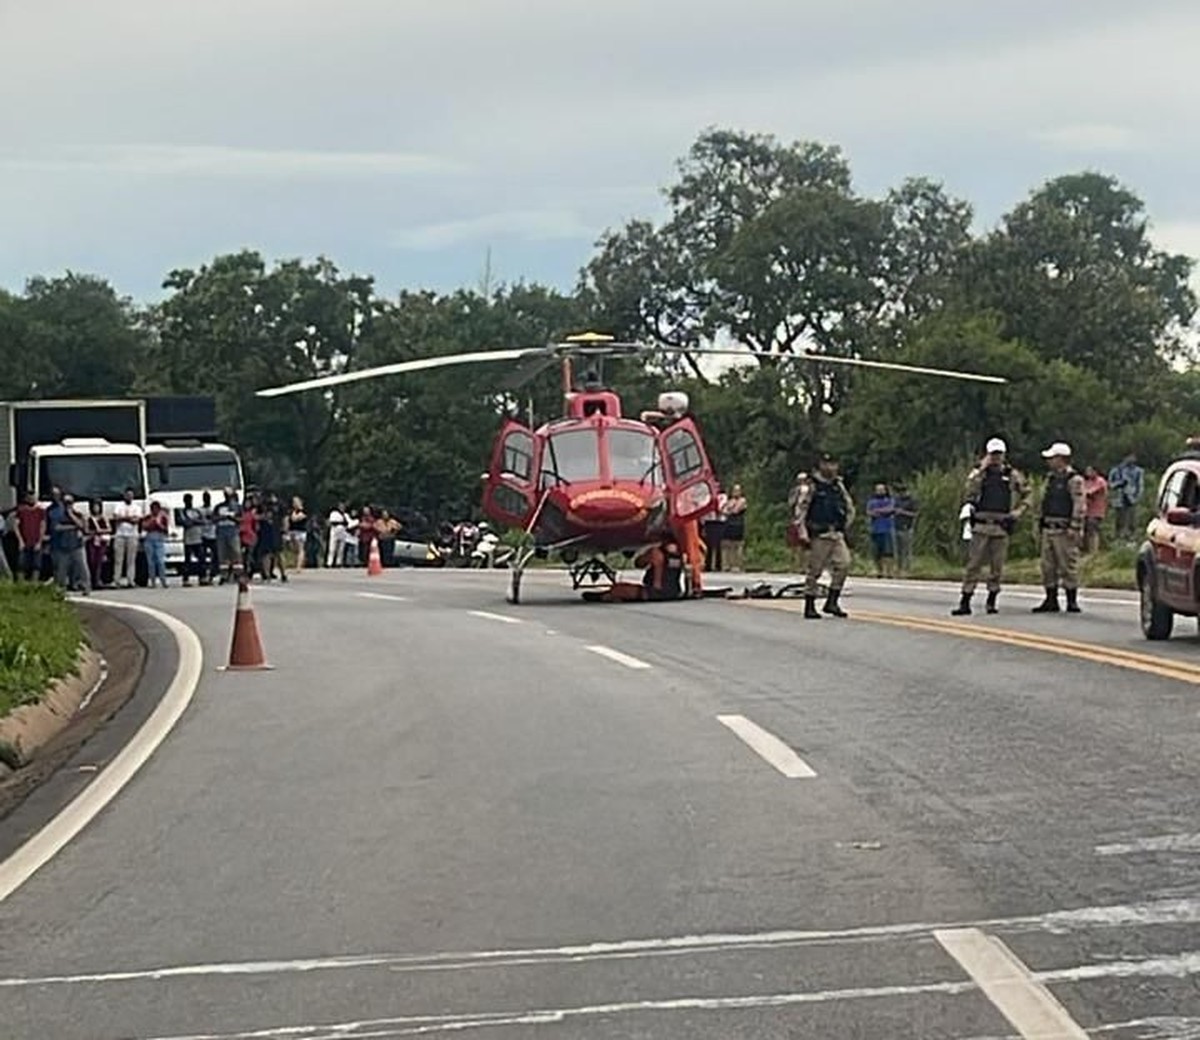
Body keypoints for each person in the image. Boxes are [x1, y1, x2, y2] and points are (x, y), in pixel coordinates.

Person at [952, 437, 1032, 616]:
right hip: (981, 524)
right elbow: (969, 490)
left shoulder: (1011, 475)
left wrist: (1018, 512)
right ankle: (966, 599)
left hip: (1001, 524)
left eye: (998, 454)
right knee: (973, 565)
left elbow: (1028, 494)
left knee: (997, 566)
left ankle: (992, 600)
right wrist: (981, 468)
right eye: (993, 454)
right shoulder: (979, 474)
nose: (996, 458)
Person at [792, 452, 855, 619]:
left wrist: (846, 524)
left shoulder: (838, 485)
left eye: (834, 464)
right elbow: (801, 508)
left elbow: (848, 505)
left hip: (836, 532)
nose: (831, 468)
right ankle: (810, 604)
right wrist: (802, 531)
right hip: (819, 533)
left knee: (844, 564)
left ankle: (832, 602)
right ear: (820, 465)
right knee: (815, 570)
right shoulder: (812, 485)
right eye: (827, 464)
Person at [1032, 442, 1087, 614]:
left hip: (1064, 528)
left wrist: (1075, 525)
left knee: (1067, 564)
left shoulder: (1074, 480)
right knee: (1047, 565)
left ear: (1061, 459)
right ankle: (1051, 598)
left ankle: (1071, 600)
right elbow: (1042, 503)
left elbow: (1079, 504)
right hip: (1049, 526)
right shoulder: (1050, 479)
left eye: (1052, 458)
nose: (1049, 461)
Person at [1107, 452, 1144, 543]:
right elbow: (1110, 484)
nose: (1131, 459)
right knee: (1119, 519)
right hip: (1119, 498)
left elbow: (1140, 485)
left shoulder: (1138, 471)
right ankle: (1118, 538)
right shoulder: (1116, 470)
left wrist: (1137, 497)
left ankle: (1132, 538)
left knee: (1132, 519)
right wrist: (1119, 483)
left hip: (1131, 498)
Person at [111, 486, 142, 588]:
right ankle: (116, 580)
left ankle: (130, 580)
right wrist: (128, 518)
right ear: (124, 495)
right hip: (120, 535)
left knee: (131, 559)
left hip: (132, 535)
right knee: (118, 559)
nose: (129, 497)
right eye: (127, 495)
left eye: (131, 495)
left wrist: (124, 518)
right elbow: (115, 518)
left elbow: (136, 520)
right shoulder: (119, 506)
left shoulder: (137, 507)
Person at [865, 483, 896, 578]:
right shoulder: (871, 502)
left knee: (888, 552)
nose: (880, 492)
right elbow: (869, 512)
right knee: (877, 553)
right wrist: (882, 512)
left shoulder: (890, 500)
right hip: (875, 529)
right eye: (878, 490)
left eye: (882, 490)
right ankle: (880, 571)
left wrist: (878, 511)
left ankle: (889, 572)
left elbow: (890, 509)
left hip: (887, 529)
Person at [178, 493, 206, 587]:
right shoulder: (182, 511)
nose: (189, 502)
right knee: (188, 560)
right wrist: (195, 521)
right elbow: (185, 523)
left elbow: (203, 521)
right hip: (188, 539)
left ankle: (202, 577)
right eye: (187, 500)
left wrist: (194, 521)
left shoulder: (196, 511)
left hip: (198, 538)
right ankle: (186, 579)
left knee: (201, 559)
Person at [141, 500, 170, 588]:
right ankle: (153, 581)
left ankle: (163, 580)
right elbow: (144, 526)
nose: (155, 511)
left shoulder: (163, 517)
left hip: (159, 538)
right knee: (151, 562)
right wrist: (151, 522)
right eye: (153, 509)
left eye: (156, 509)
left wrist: (159, 524)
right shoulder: (148, 517)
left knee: (160, 561)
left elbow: (166, 530)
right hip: (149, 538)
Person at [84, 498, 111, 589]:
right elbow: (86, 530)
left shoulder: (103, 518)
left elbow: (109, 529)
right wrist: (93, 532)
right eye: (94, 506)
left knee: (99, 561)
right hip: (92, 541)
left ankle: (98, 580)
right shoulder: (89, 518)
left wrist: (100, 531)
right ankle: (91, 580)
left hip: (101, 541)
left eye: (98, 506)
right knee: (91, 561)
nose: (96, 508)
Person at [720, 483, 747, 571]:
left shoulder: (742, 500)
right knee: (727, 545)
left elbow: (736, 510)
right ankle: (727, 565)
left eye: (737, 491)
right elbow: (723, 510)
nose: (735, 492)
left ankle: (737, 565)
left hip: (738, 524)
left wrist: (730, 509)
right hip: (729, 524)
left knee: (737, 545)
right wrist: (729, 508)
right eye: (734, 490)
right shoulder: (729, 500)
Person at [1081, 465, 1108, 554]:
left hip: (1096, 511)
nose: (1088, 473)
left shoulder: (1100, 481)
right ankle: (1086, 550)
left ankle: (1094, 551)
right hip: (1086, 511)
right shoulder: (1086, 481)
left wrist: (1084, 493)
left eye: (1090, 471)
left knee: (1093, 530)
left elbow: (1091, 492)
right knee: (1086, 530)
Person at [892, 483, 918, 576]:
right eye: (900, 492)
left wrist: (903, 512)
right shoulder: (897, 501)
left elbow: (915, 514)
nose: (901, 493)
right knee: (897, 550)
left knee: (906, 550)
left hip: (907, 527)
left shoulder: (911, 501)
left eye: (903, 491)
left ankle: (907, 569)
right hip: (896, 526)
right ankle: (898, 568)